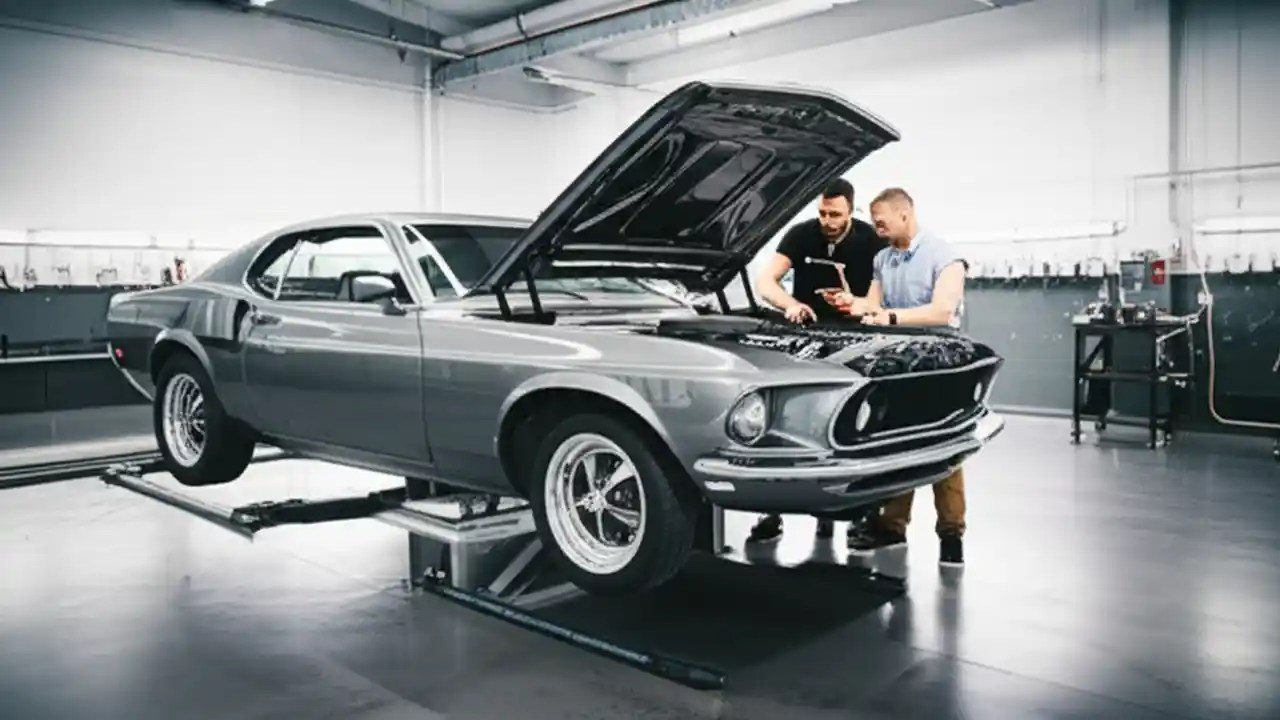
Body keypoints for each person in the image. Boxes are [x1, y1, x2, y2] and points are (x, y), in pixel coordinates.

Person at [746, 177, 887, 545]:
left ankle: (858, 514)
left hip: (856, 343)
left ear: (851, 210)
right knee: (785, 422)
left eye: (835, 214)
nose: (828, 220)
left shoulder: (871, 241)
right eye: (823, 213)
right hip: (806, 339)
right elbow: (767, 281)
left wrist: (861, 306)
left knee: (857, 426)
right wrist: (790, 304)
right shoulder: (800, 235)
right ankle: (771, 511)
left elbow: (885, 291)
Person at [846, 187, 968, 565]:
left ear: (905, 214)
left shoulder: (945, 256)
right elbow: (873, 305)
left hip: (940, 363)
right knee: (896, 443)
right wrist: (852, 304)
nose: (876, 228)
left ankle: (951, 535)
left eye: (881, 222)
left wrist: (891, 317)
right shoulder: (883, 259)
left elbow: (943, 311)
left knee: (945, 446)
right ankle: (892, 527)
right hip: (899, 363)